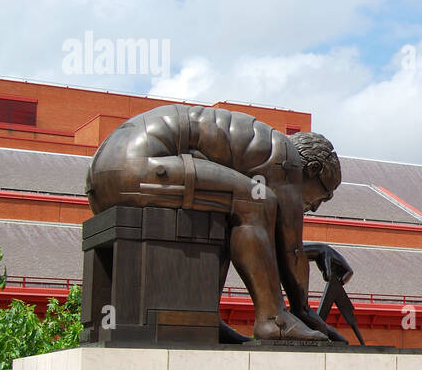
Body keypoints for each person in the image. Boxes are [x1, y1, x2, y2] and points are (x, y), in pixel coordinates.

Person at [87, 104, 346, 341]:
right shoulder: (286, 159)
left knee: (230, 207)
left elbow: (267, 242)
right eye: (323, 195)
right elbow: (291, 248)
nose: (315, 207)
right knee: (256, 200)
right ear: (311, 169)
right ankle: (273, 320)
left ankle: (207, 320)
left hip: (103, 178)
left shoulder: (264, 149)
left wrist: (314, 252)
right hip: (138, 165)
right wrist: (302, 309)